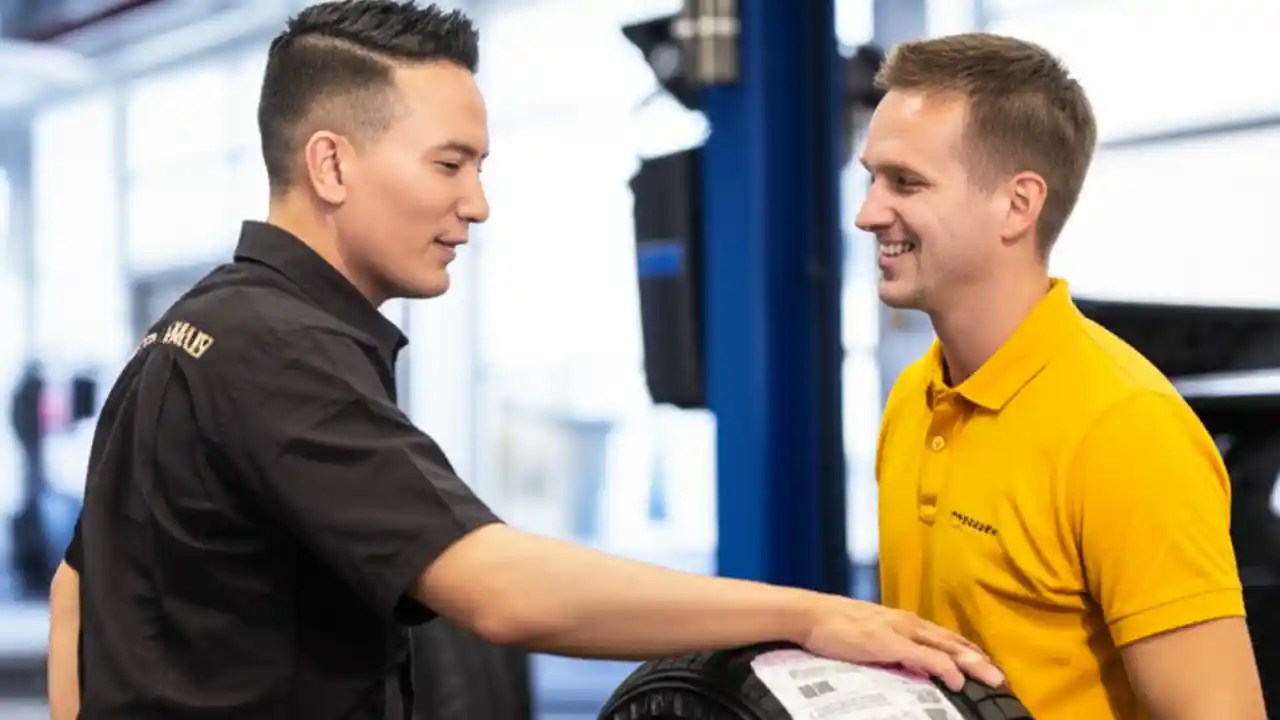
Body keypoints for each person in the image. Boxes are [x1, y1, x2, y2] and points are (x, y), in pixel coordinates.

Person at [45, 2, 1003, 718]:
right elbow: (503, 591)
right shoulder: (280, 351)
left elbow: (77, 591)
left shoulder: (194, 328)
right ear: (331, 165)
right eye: (449, 164)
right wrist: (812, 614)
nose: (477, 204)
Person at [857, 32, 1268, 720]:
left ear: (1019, 205)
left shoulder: (1125, 427)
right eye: (871, 177)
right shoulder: (913, 397)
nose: (867, 212)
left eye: (906, 182)